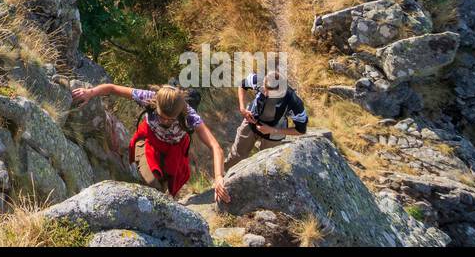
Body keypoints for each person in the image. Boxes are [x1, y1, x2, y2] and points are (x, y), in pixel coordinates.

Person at [71, 82, 230, 203]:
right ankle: (153, 203)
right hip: (149, 141)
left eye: (171, 119)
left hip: (174, 150)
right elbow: (112, 89)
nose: (166, 121)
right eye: (162, 116)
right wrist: (90, 92)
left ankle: (158, 204)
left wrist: (218, 177)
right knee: (151, 181)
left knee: (164, 185)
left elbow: (215, 147)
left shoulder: (189, 115)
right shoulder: (149, 97)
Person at [225, 71, 308, 170]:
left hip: (275, 131)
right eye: (264, 90)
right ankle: (223, 178)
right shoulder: (259, 80)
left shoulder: (294, 103)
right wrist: (243, 109)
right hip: (251, 120)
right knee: (236, 156)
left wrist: (272, 130)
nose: (266, 94)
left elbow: (301, 130)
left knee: (266, 164)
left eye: (270, 94)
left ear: (281, 92)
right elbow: (242, 85)